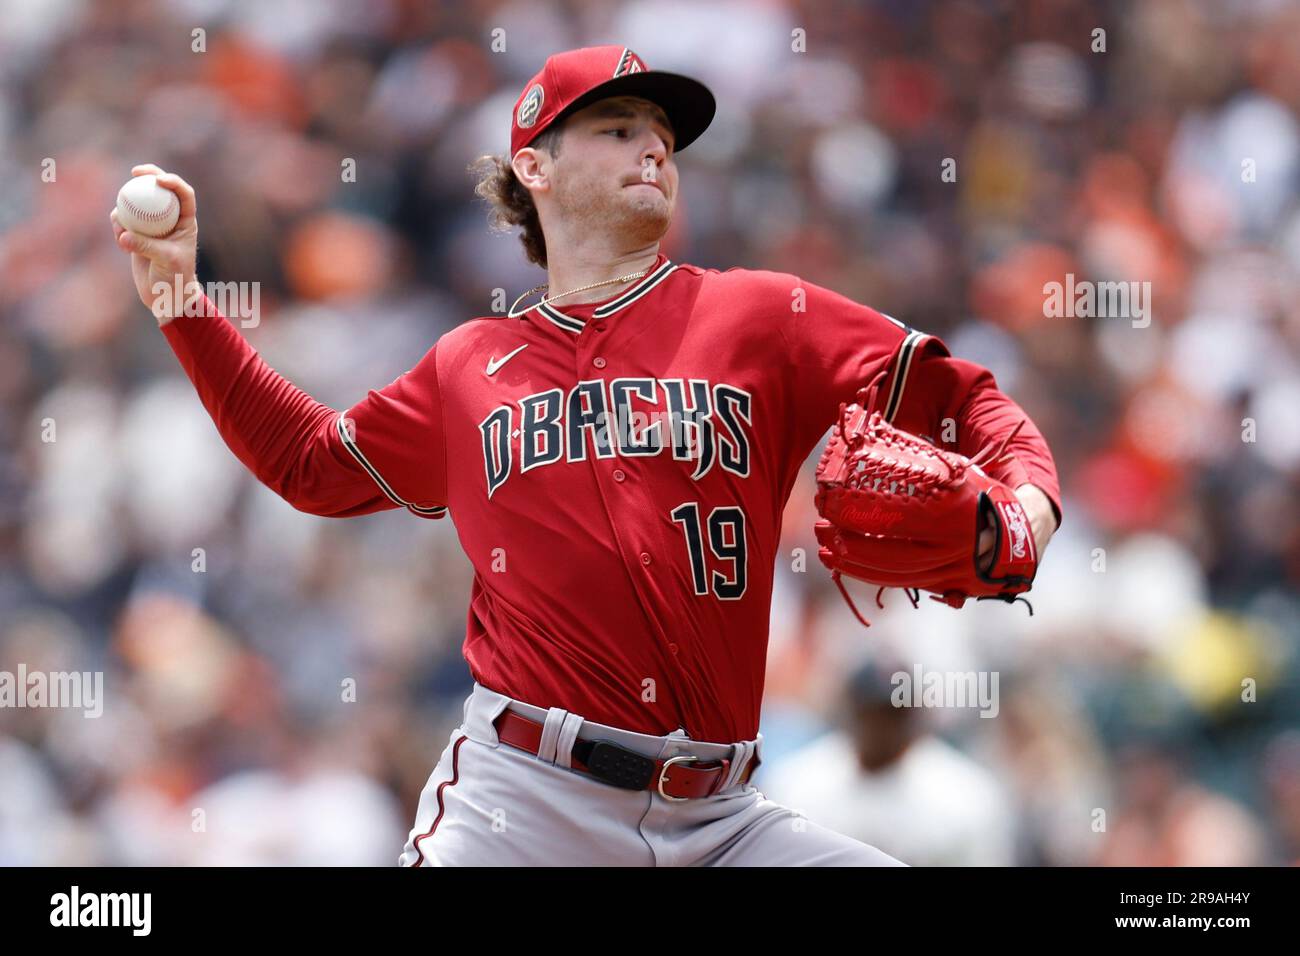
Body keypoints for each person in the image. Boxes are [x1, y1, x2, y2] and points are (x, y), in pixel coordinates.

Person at [111, 45, 1061, 866]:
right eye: (615, 127)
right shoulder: (468, 366)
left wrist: (1030, 508)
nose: (653, 143)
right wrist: (185, 307)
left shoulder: (763, 316)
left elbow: (964, 397)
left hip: (722, 817)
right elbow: (314, 466)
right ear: (536, 165)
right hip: (523, 806)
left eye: (660, 130)